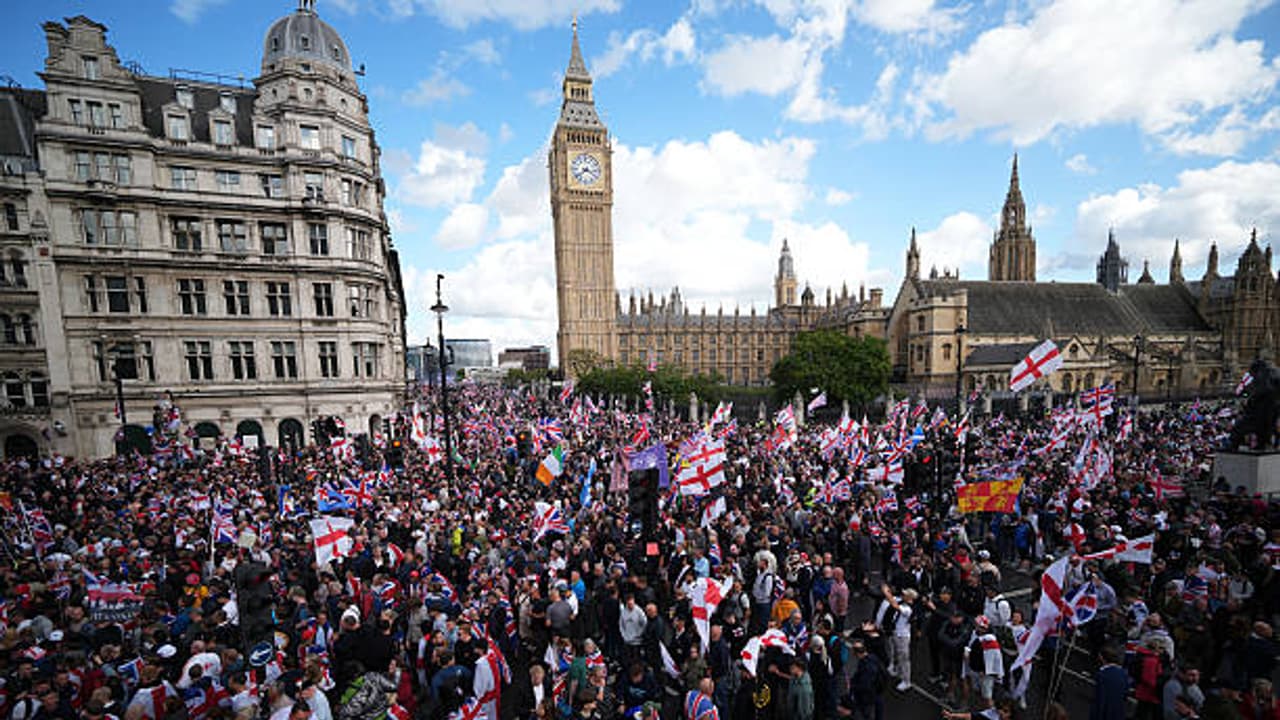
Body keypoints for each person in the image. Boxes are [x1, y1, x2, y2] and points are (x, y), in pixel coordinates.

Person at [877, 584, 915, 691]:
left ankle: (906, 681)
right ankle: (899, 671)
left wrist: (886, 592)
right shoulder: (903, 603)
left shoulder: (908, 609)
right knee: (898, 654)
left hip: (902, 636)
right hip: (896, 633)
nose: (902, 595)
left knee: (904, 658)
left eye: (905, 594)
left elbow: (894, 605)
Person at [1092, 645, 1130, 720]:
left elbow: (1100, 699)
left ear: (1102, 657)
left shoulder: (1102, 675)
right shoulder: (1123, 673)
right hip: (1118, 711)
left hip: (1105, 711)